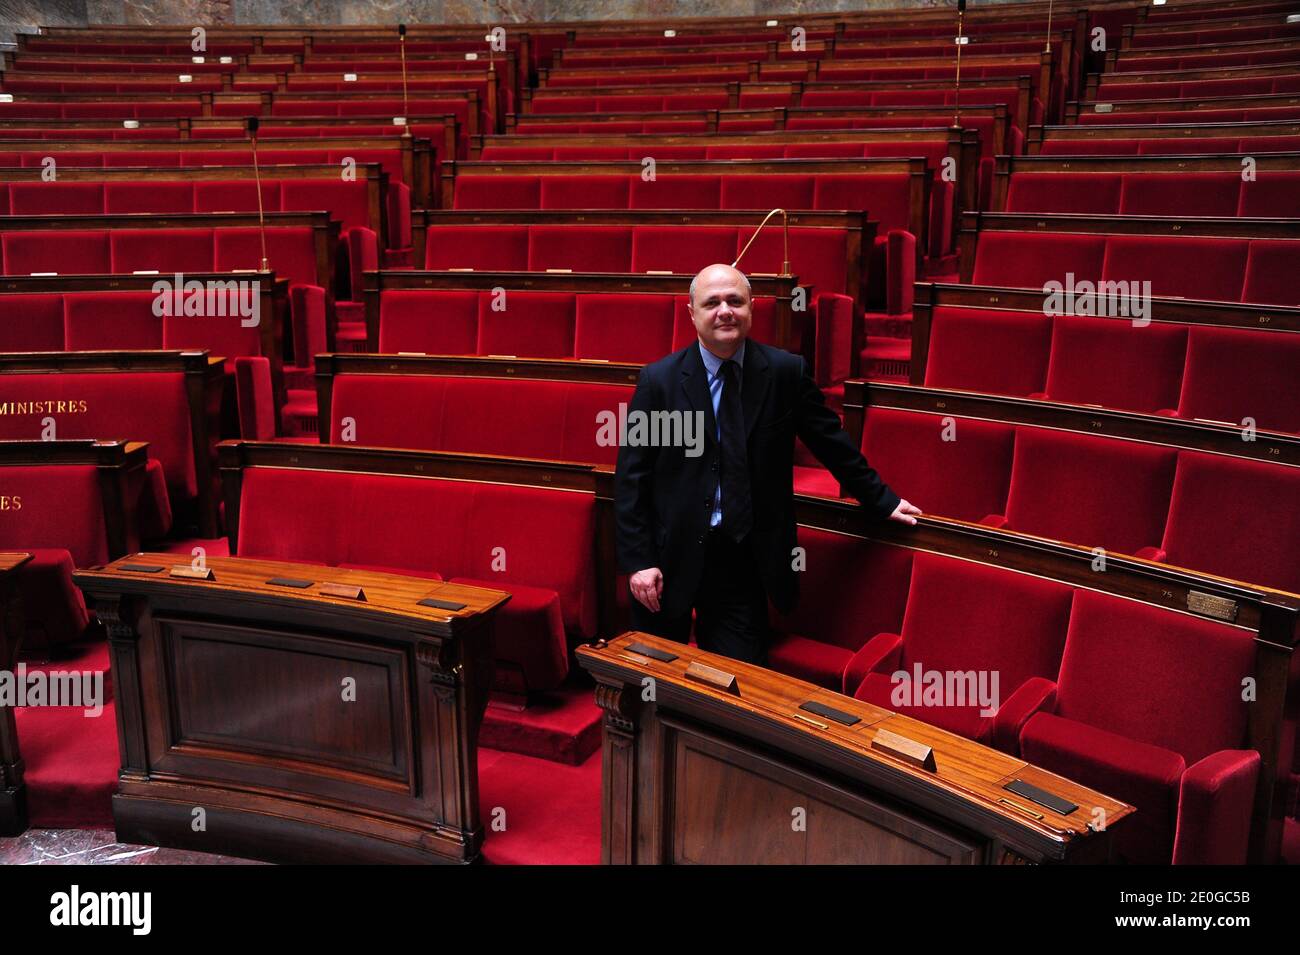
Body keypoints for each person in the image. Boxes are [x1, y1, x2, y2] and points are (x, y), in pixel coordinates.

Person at [614, 263, 922, 665]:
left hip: (742, 559)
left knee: (734, 682)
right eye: (712, 303)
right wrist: (640, 561)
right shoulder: (660, 381)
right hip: (669, 556)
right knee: (652, 677)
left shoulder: (783, 372)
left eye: (734, 301)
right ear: (692, 313)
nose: (724, 310)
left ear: (752, 308)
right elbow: (632, 478)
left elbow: (830, 442)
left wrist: (882, 500)